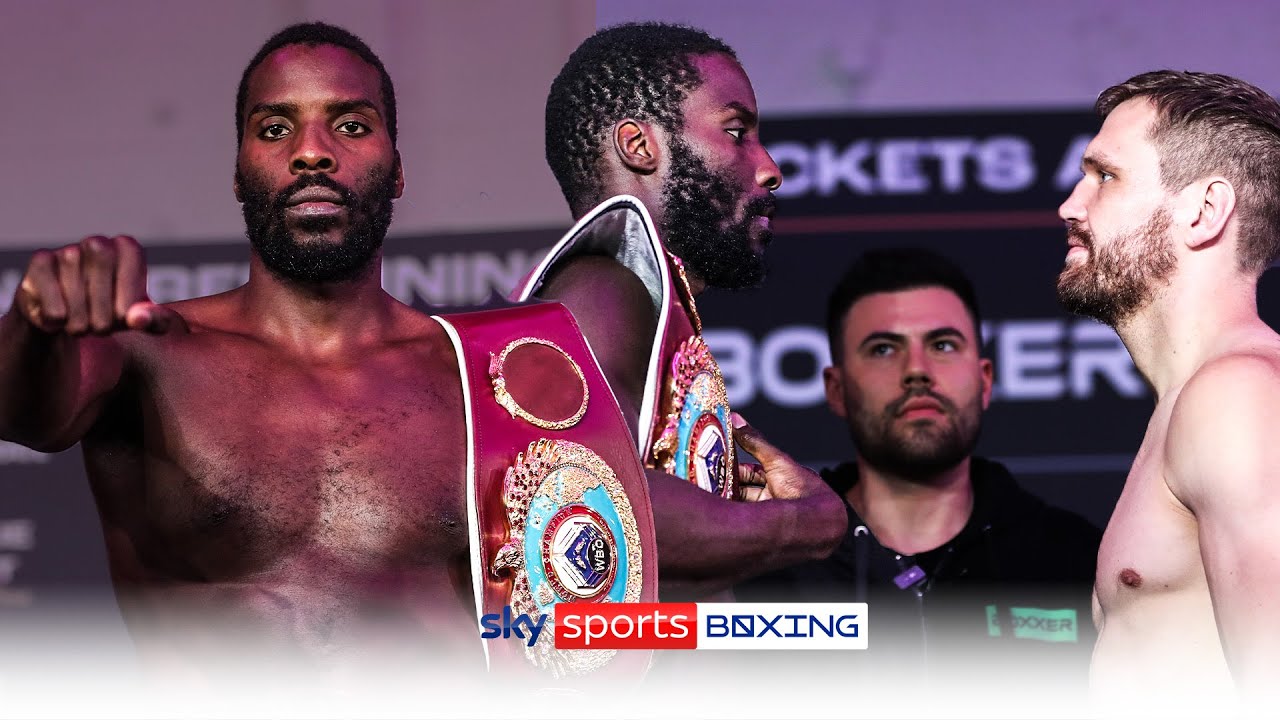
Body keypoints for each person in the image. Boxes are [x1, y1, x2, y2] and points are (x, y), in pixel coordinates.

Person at [0, 21, 665, 701]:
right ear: (237, 172)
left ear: (398, 168)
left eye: (350, 126)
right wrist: (33, 324)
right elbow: (24, 412)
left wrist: (777, 526)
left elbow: (612, 553)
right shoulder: (145, 348)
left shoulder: (482, 374)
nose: (311, 152)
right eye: (274, 129)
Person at [516, 22, 847, 599]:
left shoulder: (648, 297)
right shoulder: (602, 288)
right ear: (639, 147)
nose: (769, 167)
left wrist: (718, 511)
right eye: (737, 132)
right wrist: (805, 523)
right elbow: (574, 506)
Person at [736, 248, 1101, 699]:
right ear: (837, 390)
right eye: (884, 349)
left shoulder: (1077, 563)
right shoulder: (770, 563)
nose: (916, 372)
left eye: (943, 345)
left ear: (984, 380)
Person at [1056, 70, 1280, 709]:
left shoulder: (1238, 398)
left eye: (1106, 176)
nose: (1071, 205)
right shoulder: (1194, 400)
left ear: (1203, 211)